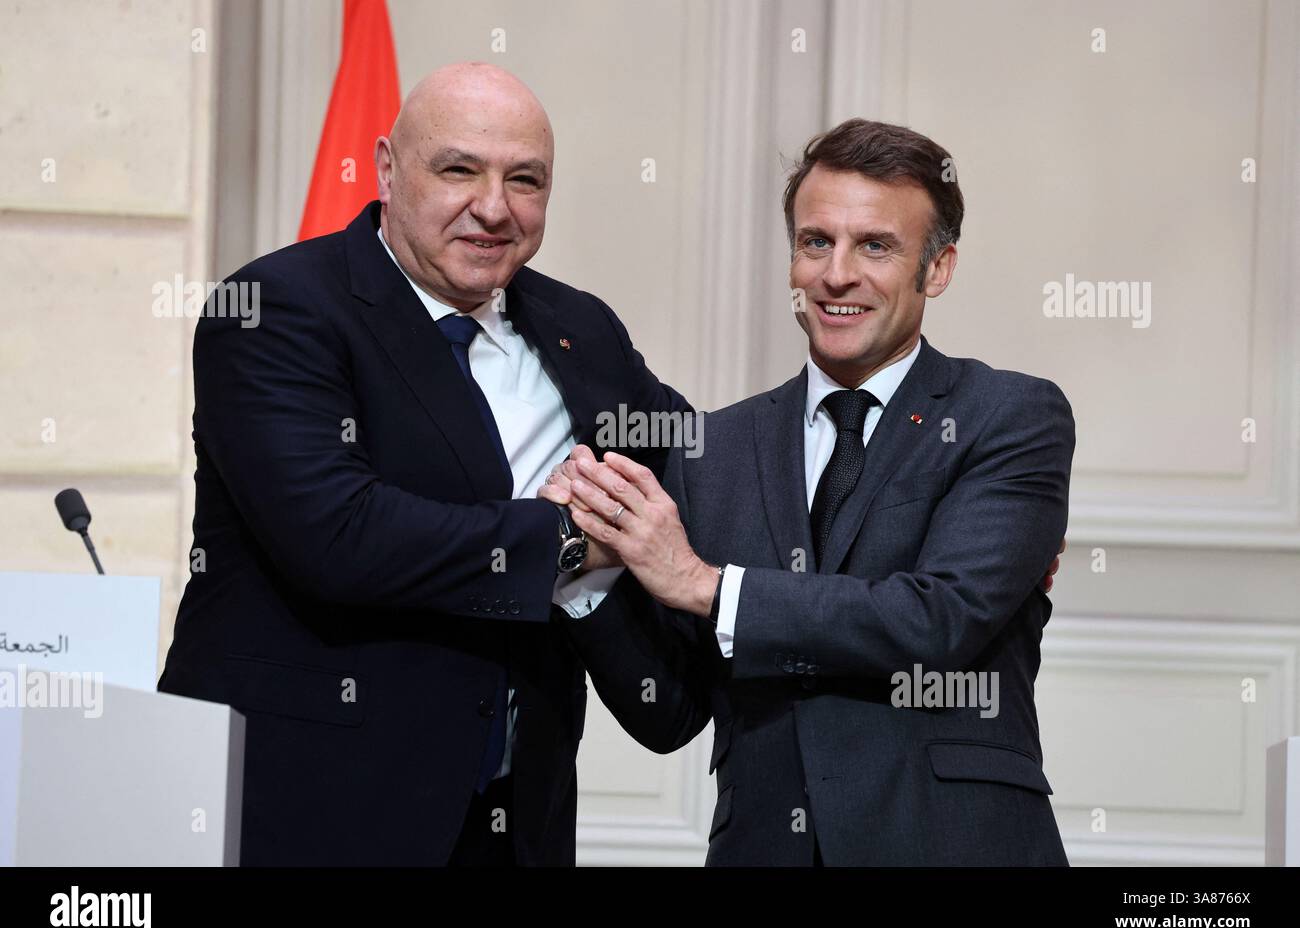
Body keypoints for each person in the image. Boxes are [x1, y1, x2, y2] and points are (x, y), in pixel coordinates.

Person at [158, 62, 687, 866]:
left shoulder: (580, 328)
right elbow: (339, 536)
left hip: (515, 820)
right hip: (308, 810)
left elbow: (697, 462)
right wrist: (573, 540)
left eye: (525, 179)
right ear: (385, 169)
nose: (493, 207)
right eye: (458, 169)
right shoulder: (278, 308)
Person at [546, 119, 1073, 866]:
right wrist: (589, 569)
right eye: (816, 241)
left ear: (939, 267)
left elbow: (938, 620)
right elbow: (670, 715)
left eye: (876, 246)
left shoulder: (1010, 416)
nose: (837, 275)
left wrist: (705, 585)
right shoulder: (715, 449)